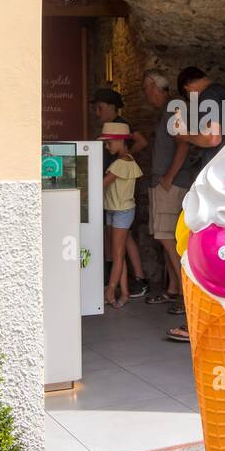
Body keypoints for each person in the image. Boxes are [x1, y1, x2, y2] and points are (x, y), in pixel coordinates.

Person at [166, 67, 225, 342]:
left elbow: (212, 137)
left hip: (220, 186)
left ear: (188, 87)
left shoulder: (211, 96)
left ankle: (198, 323)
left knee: (204, 250)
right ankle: (224, 320)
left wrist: (184, 136)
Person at [141, 69, 194, 314]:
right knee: (165, 234)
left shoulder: (175, 107)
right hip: (166, 182)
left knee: (167, 237)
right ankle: (173, 288)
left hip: (171, 184)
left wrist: (168, 177)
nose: (145, 94)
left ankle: (185, 294)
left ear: (154, 86)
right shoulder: (170, 110)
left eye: (145, 88)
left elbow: (183, 142)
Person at [91, 86, 149, 298]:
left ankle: (113, 288)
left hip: (119, 204)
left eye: (99, 108)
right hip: (114, 204)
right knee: (120, 246)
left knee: (120, 247)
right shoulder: (122, 160)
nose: (106, 146)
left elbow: (140, 141)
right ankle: (124, 290)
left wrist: (122, 162)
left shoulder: (121, 135)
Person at [100, 121, 143, 308]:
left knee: (116, 255)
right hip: (115, 210)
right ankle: (124, 293)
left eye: (109, 142)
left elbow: (101, 184)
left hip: (121, 212)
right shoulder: (128, 160)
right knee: (120, 254)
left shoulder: (120, 164)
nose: (106, 146)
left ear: (119, 141)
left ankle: (110, 291)